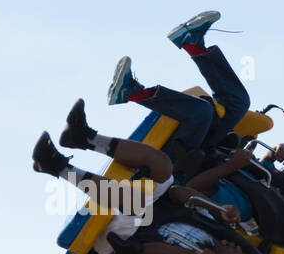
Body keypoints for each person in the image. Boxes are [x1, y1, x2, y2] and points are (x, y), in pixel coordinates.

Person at [32, 99, 239, 254]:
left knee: (136, 202)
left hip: (124, 242)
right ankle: (84, 138)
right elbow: (177, 193)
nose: (238, 248)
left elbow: (147, 251)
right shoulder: (213, 229)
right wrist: (217, 207)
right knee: (163, 165)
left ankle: (56, 166)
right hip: (150, 210)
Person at [107, 11, 253, 156]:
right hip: (211, 152)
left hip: (181, 169)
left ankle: (131, 94)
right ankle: (191, 43)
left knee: (202, 111)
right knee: (239, 102)